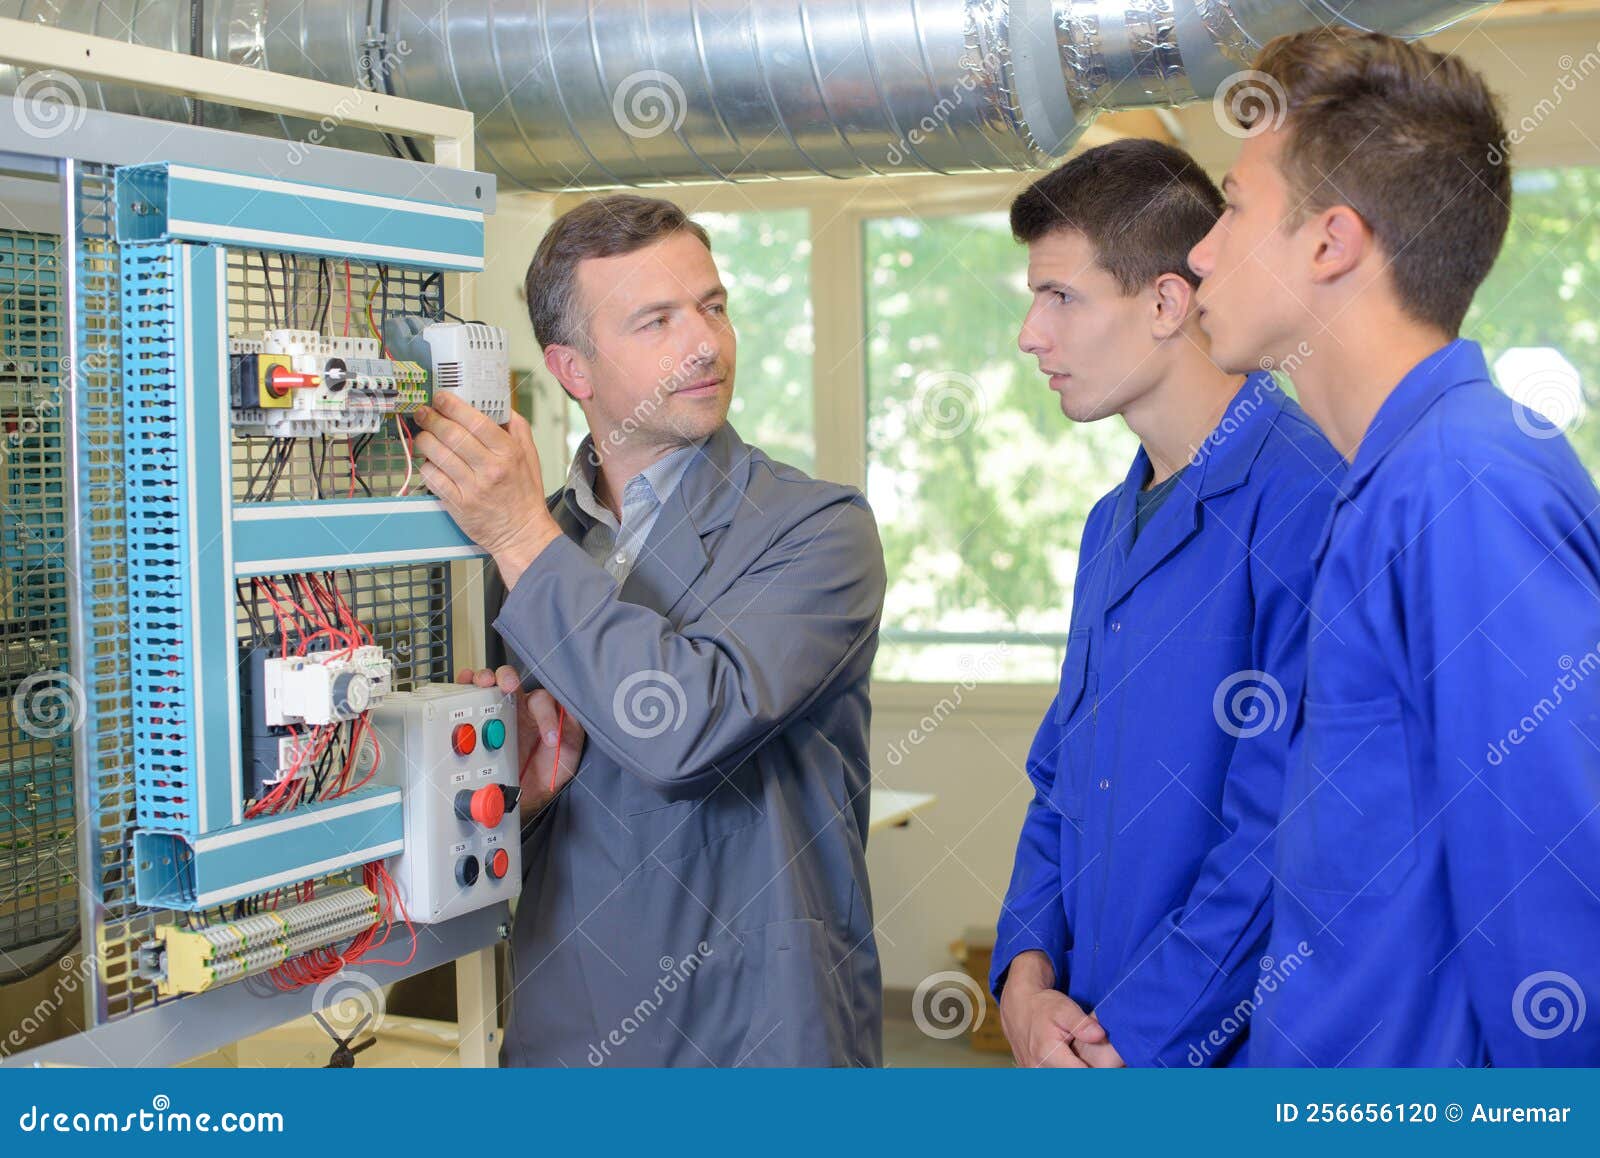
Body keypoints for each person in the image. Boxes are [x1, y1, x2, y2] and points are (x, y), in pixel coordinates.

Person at [1188, 26, 1600, 1066]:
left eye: (1232, 210)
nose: (1198, 250)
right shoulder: (1387, 482)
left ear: (1329, 242)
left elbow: (1558, 906)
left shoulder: (1465, 486)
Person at [418, 194, 887, 1066]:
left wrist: (521, 535)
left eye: (712, 306)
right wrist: (521, 797)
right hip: (574, 1027)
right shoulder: (510, 554)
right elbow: (471, 826)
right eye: (657, 321)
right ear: (574, 369)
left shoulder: (818, 530)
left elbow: (682, 727)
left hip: (760, 1038)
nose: (704, 343)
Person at [993, 139, 1342, 1067]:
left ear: (1164, 301)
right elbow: (1061, 775)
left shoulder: (1310, 497)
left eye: (1059, 297)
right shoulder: (1114, 522)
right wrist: (1027, 977)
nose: (1032, 334)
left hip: (1221, 1050)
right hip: (1085, 1021)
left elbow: (1282, 833)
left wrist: (1133, 1040)